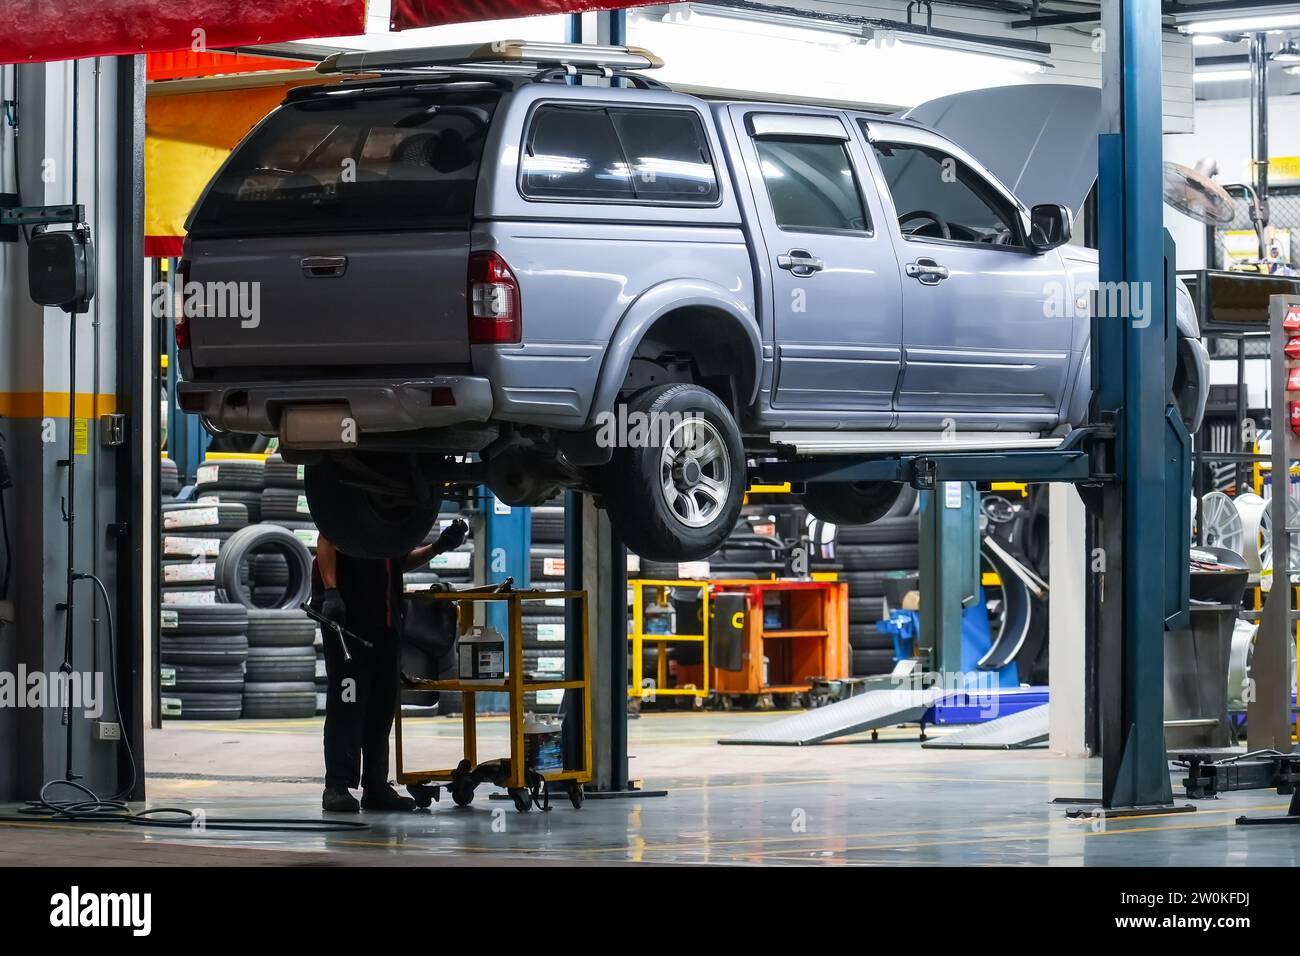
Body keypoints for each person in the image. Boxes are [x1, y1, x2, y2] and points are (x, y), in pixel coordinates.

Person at [312, 518, 469, 813]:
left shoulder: (389, 527)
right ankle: (337, 786)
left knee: (381, 708)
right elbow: (326, 541)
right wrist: (332, 592)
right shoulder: (351, 513)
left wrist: (438, 547)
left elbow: (400, 563)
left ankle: (376, 787)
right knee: (347, 705)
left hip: (385, 628)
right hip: (348, 625)